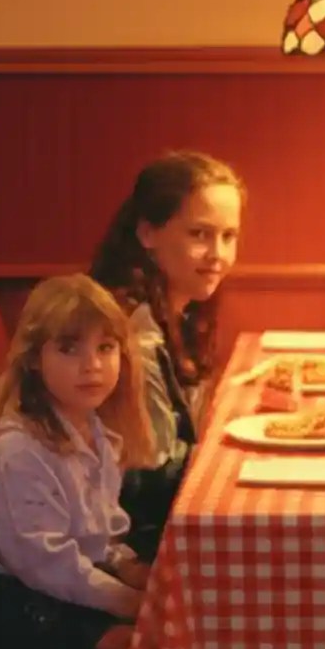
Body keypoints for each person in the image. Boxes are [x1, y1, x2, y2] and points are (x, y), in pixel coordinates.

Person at [0, 274, 157, 649]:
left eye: (106, 347)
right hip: (12, 602)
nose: (92, 366)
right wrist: (129, 601)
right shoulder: (17, 451)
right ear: (34, 359)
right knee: (139, 646)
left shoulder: (96, 430)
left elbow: (95, 533)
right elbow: (46, 565)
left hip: (65, 582)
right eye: (69, 349)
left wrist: (126, 565)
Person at [91, 150, 245, 557]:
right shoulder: (130, 335)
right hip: (125, 545)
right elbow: (153, 480)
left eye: (229, 236)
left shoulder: (178, 309)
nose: (218, 254)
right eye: (199, 234)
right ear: (148, 234)